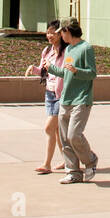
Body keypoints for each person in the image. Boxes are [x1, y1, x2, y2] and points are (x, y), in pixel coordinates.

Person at [46, 20, 99, 185]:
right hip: (65, 98)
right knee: (65, 139)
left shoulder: (86, 48)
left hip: (81, 99)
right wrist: (51, 69)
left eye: (62, 32)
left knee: (74, 135)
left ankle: (90, 160)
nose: (60, 35)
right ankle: (73, 172)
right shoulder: (68, 49)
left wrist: (77, 71)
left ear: (68, 31)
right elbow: (66, 72)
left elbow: (92, 73)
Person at [26, 20, 68, 174]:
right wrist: (34, 69)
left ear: (61, 34)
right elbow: (45, 72)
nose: (50, 35)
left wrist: (53, 67)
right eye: (48, 32)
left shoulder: (66, 52)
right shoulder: (47, 51)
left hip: (61, 94)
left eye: (53, 33)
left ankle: (47, 164)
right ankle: (67, 160)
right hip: (49, 94)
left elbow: (64, 73)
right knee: (57, 131)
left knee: (49, 127)